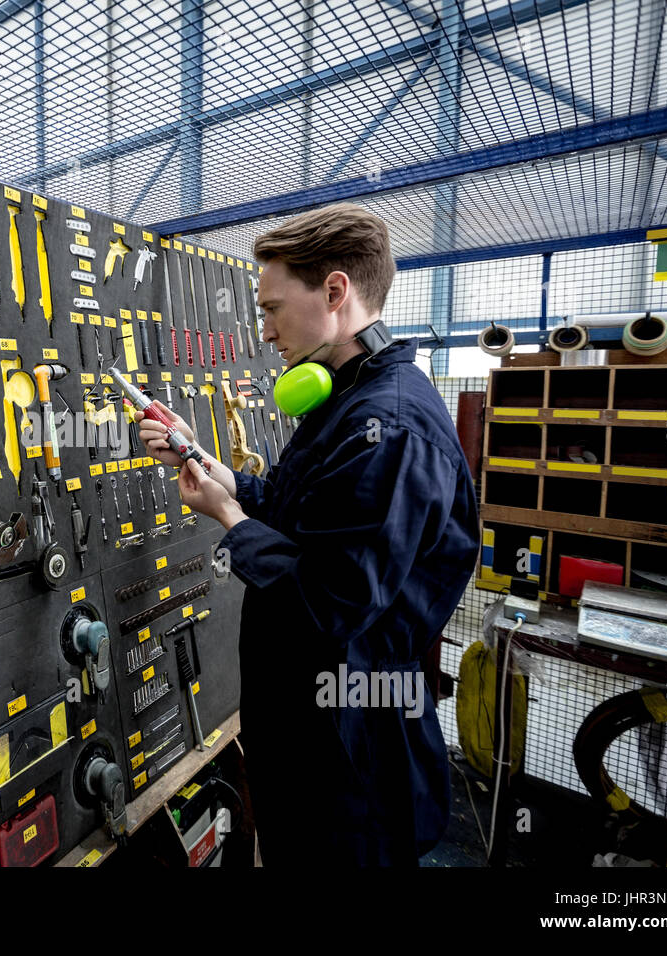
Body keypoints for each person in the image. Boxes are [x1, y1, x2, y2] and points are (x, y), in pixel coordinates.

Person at [136, 203, 479, 865]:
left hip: (350, 761)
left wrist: (229, 521)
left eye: (270, 308)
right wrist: (218, 473)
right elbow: (302, 516)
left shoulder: (389, 426)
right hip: (309, 738)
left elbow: (333, 600)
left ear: (334, 291)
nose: (264, 331)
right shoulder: (349, 402)